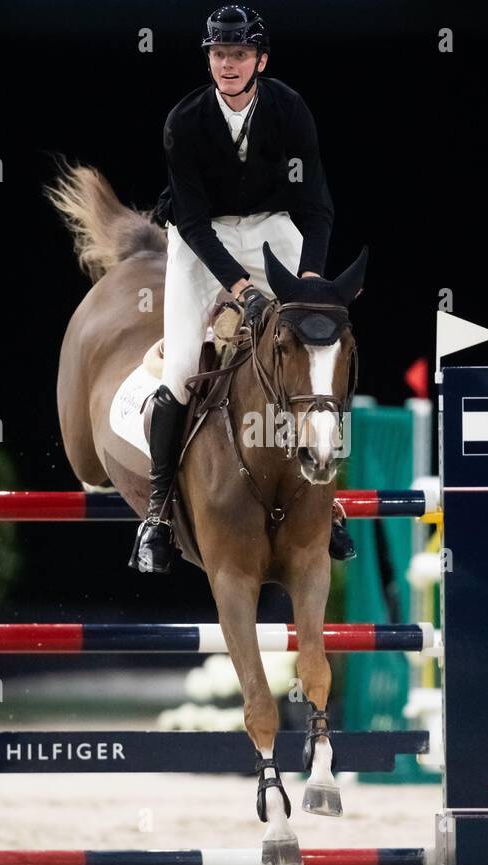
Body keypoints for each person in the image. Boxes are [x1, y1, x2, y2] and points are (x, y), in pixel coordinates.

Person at [131, 4, 356, 573]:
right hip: (197, 240)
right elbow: (195, 222)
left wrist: (309, 279)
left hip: (271, 227)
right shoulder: (183, 122)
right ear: (209, 58)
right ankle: (157, 514)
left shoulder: (290, 108)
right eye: (218, 53)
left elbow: (317, 205)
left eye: (238, 54)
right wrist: (237, 288)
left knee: (309, 350)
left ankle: (324, 501)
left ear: (260, 59)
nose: (227, 64)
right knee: (182, 368)